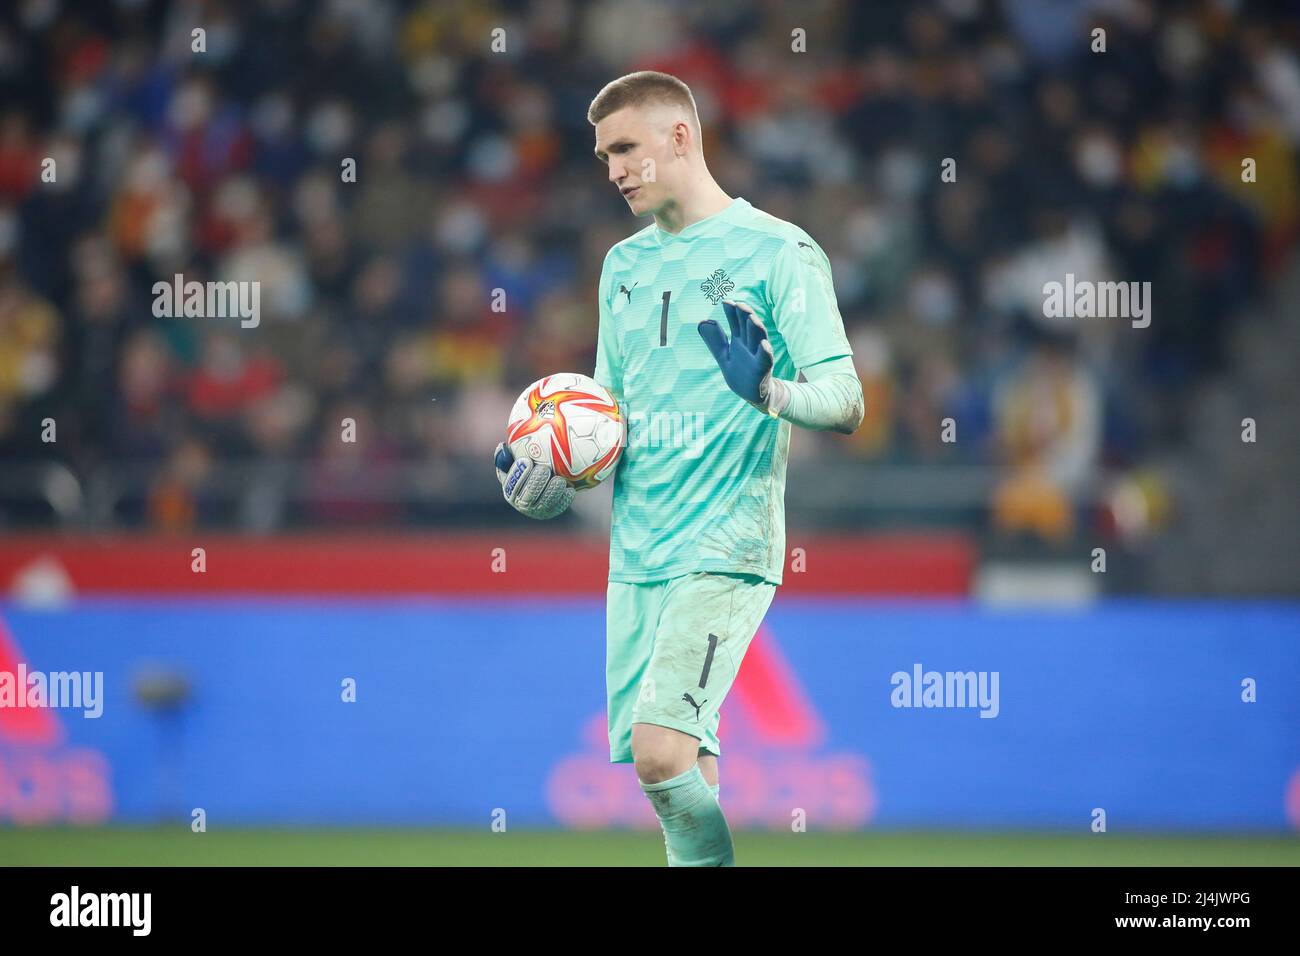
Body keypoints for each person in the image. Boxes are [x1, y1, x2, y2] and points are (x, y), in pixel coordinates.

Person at [494, 71, 864, 865]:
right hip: (638, 555)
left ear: (681, 138)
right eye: (603, 156)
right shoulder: (621, 268)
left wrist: (764, 390)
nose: (614, 169)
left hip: (725, 546)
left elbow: (846, 399)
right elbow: (604, 432)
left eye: (626, 147)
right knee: (680, 775)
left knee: (660, 752)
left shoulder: (778, 250)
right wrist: (544, 479)